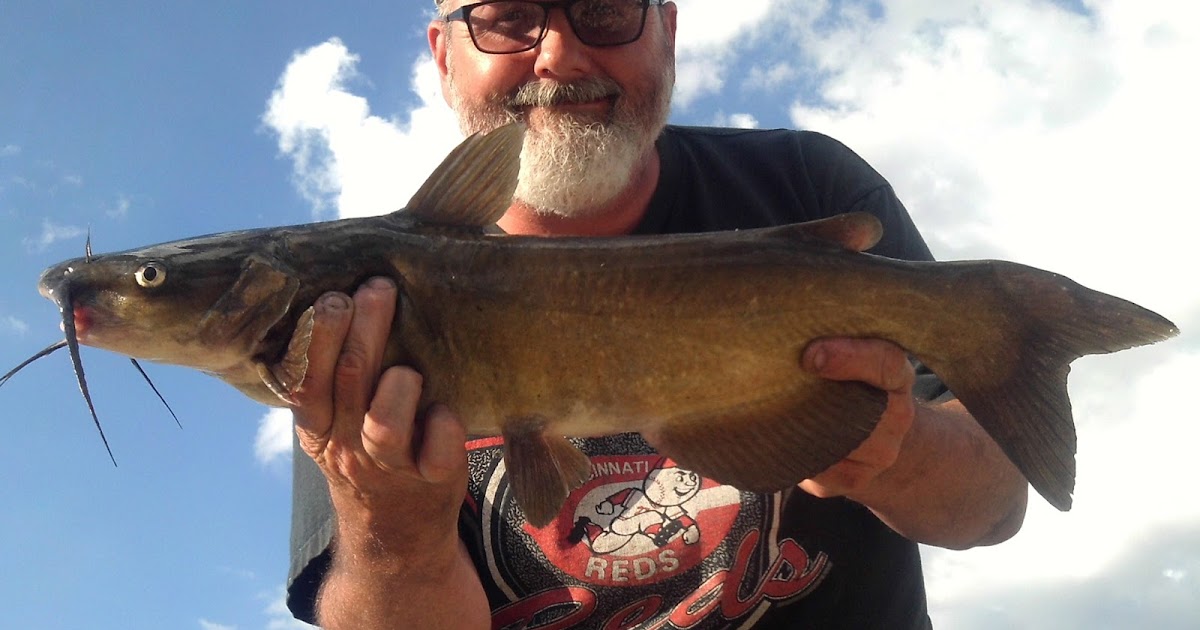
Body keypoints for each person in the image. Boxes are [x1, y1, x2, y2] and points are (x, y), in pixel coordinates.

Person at [285, 1, 1030, 628]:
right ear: (444, 57)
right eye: (508, 18)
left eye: (605, 11)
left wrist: (887, 448)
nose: (560, 57)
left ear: (668, 32)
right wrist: (392, 530)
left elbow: (994, 509)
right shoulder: (357, 311)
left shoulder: (808, 187)